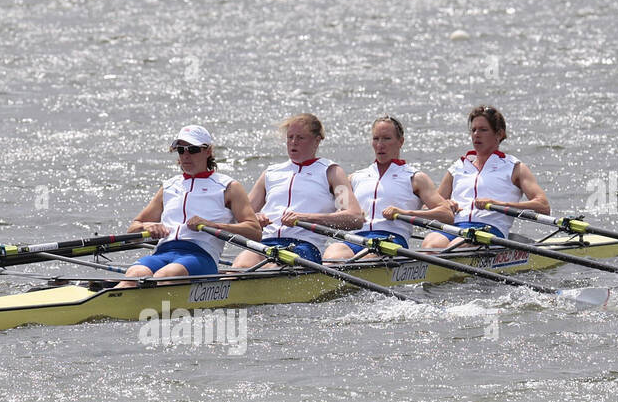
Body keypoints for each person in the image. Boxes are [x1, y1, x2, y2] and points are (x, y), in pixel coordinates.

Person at [120, 125, 260, 286]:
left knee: (165, 276)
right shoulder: (169, 187)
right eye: (181, 150)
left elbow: (254, 231)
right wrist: (148, 226)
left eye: (193, 149)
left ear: (208, 151)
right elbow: (133, 228)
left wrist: (213, 225)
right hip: (162, 253)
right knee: (133, 275)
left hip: (200, 256)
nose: (186, 155)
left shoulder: (228, 187)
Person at [230, 113, 362, 270]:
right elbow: (243, 217)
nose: (293, 142)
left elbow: (354, 217)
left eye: (300, 138)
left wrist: (305, 218)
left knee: (271, 269)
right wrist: (255, 218)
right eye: (290, 137)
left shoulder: (331, 173)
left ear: (317, 140)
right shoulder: (271, 173)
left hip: (304, 247)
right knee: (240, 266)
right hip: (265, 243)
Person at [322, 115, 452, 261]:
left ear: (400, 142)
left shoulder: (416, 178)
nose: (380, 145)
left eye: (386, 139)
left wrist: (405, 213)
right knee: (331, 256)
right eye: (376, 139)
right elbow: (338, 212)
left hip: (390, 241)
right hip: (355, 239)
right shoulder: (353, 178)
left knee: (363, 259)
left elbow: (446, 214)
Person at [423, 105, 550, 250]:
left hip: (489, 231)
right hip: (455, 227)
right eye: (473, 130)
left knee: (454, 247)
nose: (476, 134)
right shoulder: (458, 167)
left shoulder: (514, 167)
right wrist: (446, 204)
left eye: (483, 130)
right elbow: (428, 206)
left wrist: (498, 204)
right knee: (430, 244)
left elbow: (543, 206)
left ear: (499, 134)